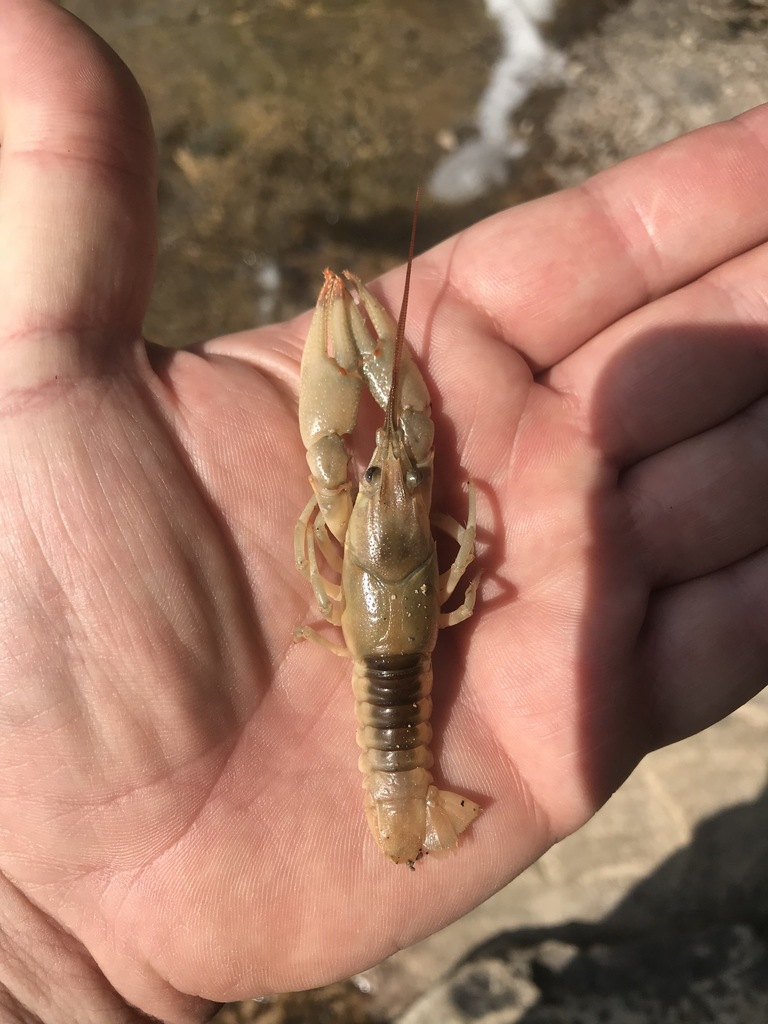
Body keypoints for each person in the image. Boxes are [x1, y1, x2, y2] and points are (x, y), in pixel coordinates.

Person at [0, 1, 766, 1021]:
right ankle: (406, 809)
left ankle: (406, 810)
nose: (373, 475)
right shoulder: (402, 543)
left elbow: (384, 536)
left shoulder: (351, 532)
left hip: (385, 659)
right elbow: (434, 557)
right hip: (389, 663)